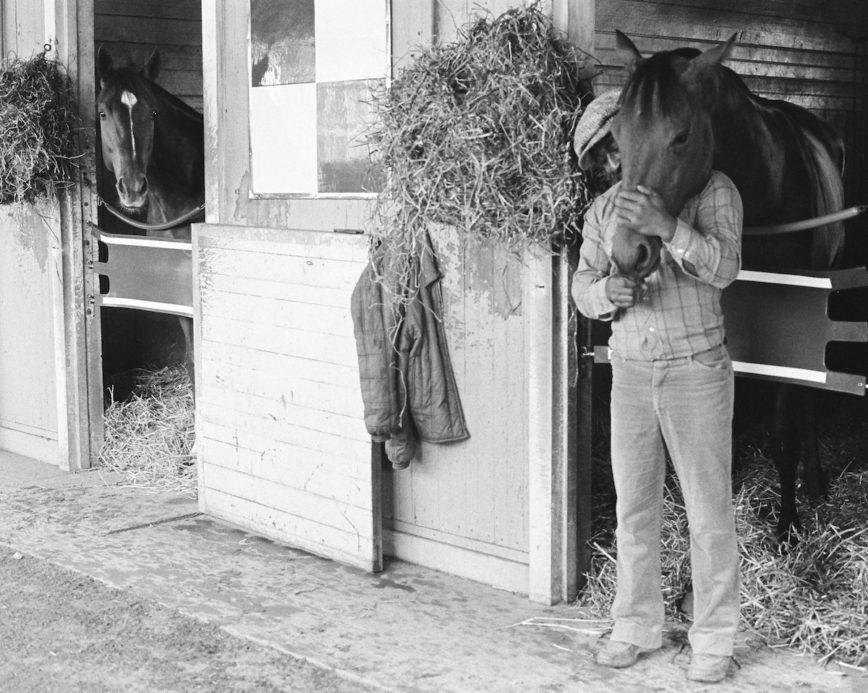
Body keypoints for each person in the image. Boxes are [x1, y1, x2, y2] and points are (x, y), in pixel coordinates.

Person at [571, 94, 744, 684]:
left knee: (708, 511)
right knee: (635, 508)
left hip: (696, 371)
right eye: (610, 153)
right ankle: (636, 624)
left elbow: (723, 268)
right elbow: (582, 287)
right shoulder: (602, 211)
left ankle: (715, 638)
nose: (616, 161)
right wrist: (605, 297)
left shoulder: (713, 190)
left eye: (620, 146)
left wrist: (669, 226)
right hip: (631, 373)